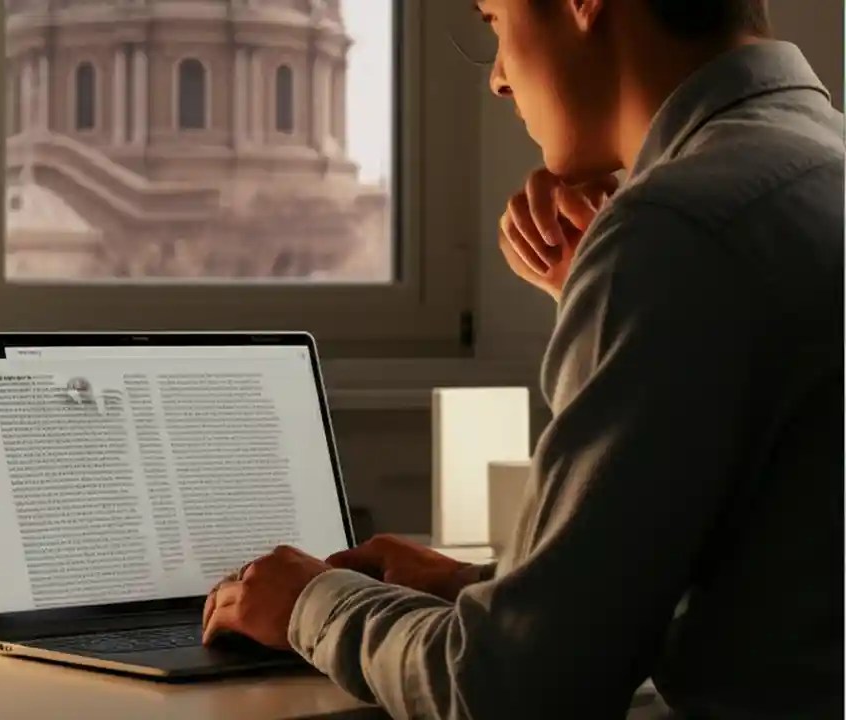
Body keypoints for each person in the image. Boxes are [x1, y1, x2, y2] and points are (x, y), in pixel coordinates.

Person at [200, 0, 844, 717]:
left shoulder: (676, 228)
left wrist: (309, 603)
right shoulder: (813, 168)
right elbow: (762, 578)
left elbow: (512, 690)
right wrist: (484, 585)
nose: (498, 78)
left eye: (493, 20)